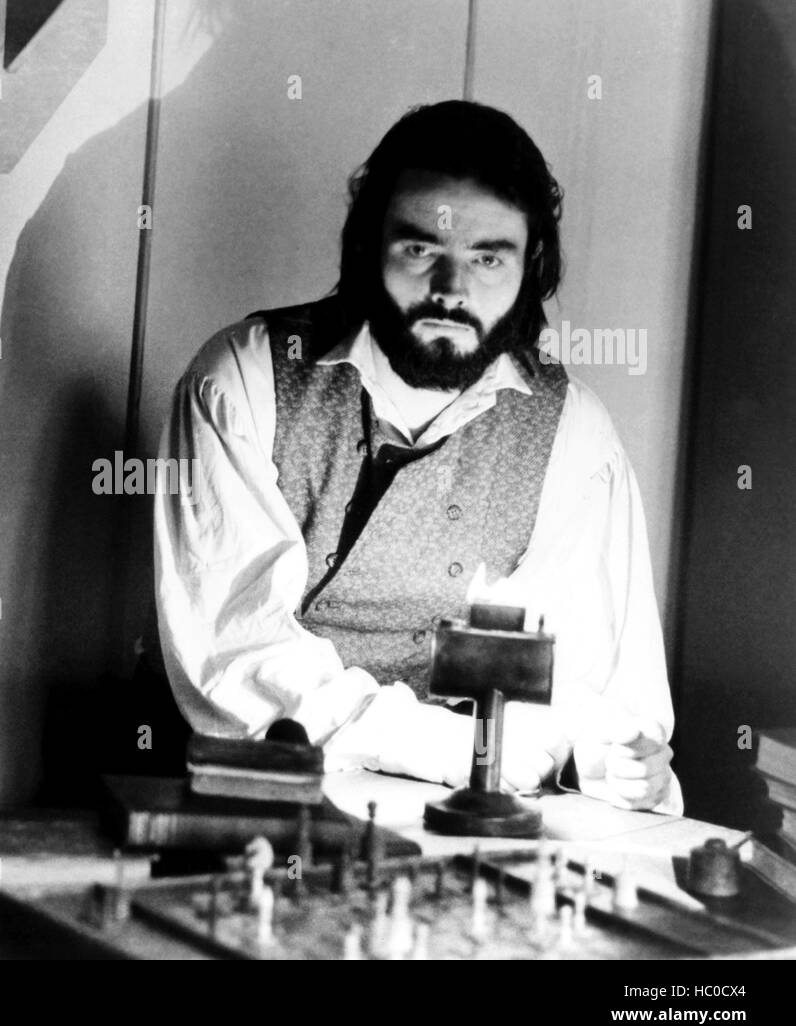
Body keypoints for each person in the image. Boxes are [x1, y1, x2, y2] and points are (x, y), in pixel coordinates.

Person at [154, 100, 680, 814]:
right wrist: (462, 750)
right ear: (368, 247)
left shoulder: (574, 431)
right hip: (267, 799)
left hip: (477, 820)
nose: (451, 291)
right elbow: (241, 660)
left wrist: (616, 759)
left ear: (533, 268)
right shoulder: (241, 380)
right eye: (419, 249)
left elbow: (601, 693)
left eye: (489, 257)